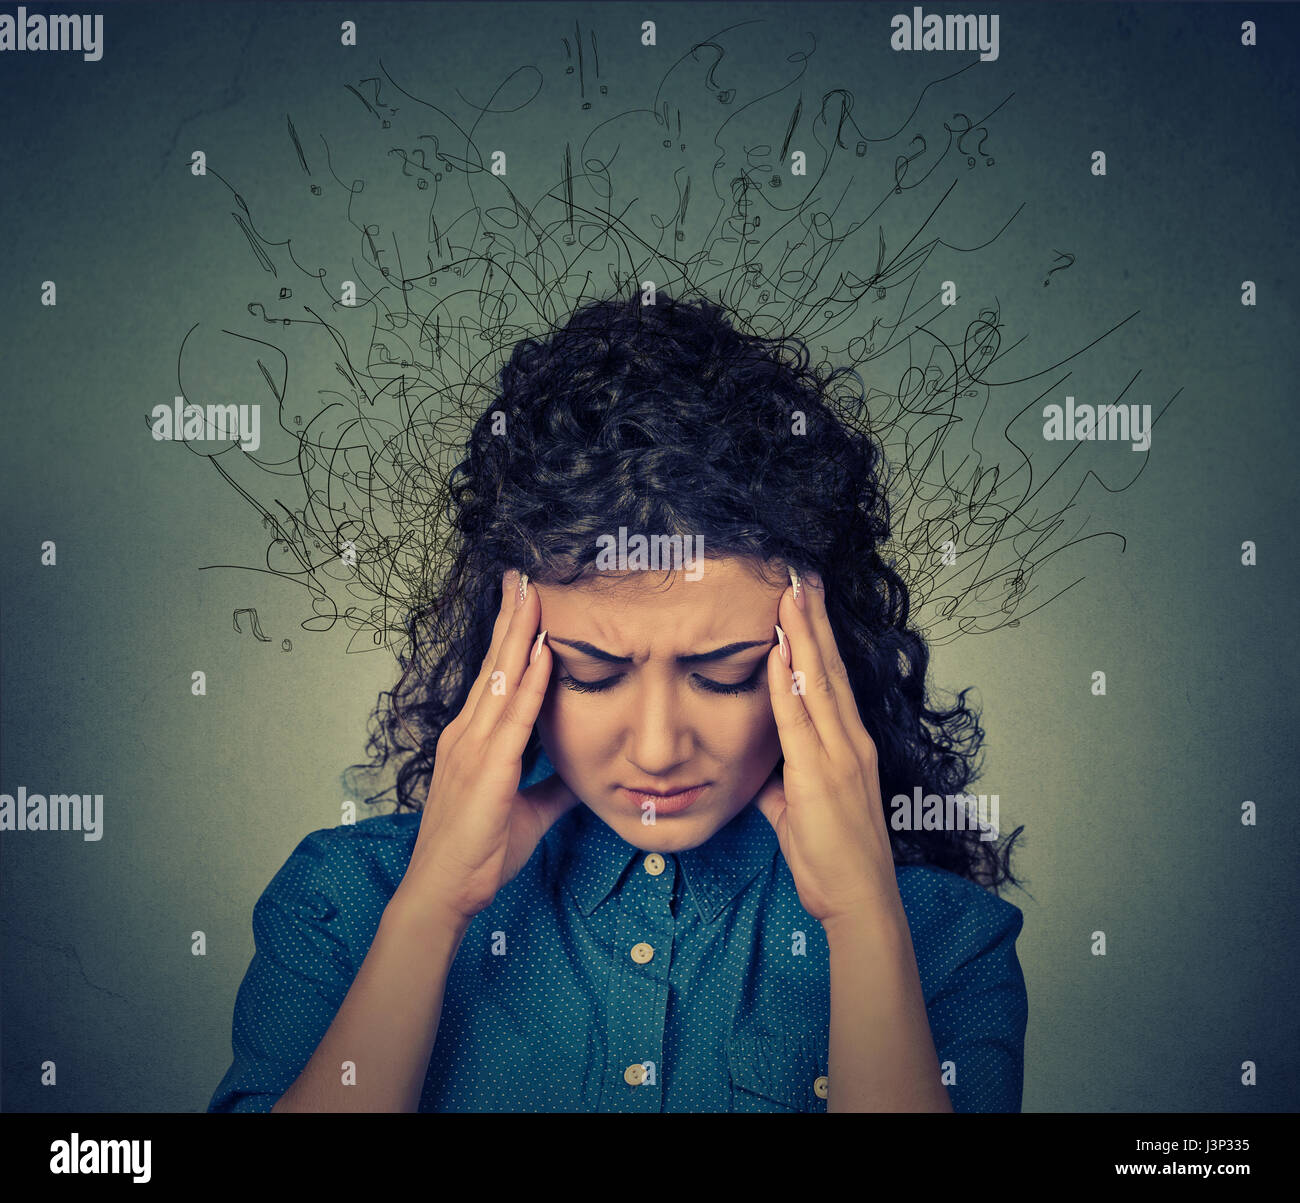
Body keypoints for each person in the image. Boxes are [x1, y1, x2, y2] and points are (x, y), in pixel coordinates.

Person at [208, 292, 1027, 1113]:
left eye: (727, 672)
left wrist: (861, 919)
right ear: (509, 654)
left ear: (822, 659)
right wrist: (429, 911)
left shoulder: (945, 942)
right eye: (591, 674)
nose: (659, 746)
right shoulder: (344, 899)